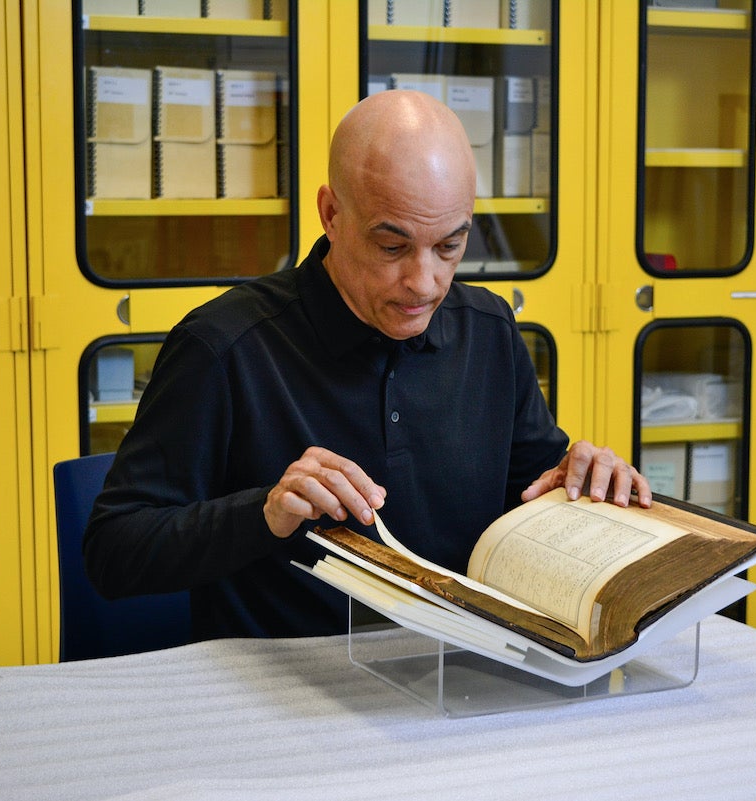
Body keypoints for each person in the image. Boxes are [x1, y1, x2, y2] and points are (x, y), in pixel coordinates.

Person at [84, 90, 652, 641]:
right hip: (286, 676)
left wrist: (581, 487)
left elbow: (530, 498)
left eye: (449, 246)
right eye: (392, 247)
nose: (424, 283)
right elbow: (113, 552)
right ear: (331, 214)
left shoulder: (490, 330)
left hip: (462, 668)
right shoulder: (224, 347)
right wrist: (264, 513)